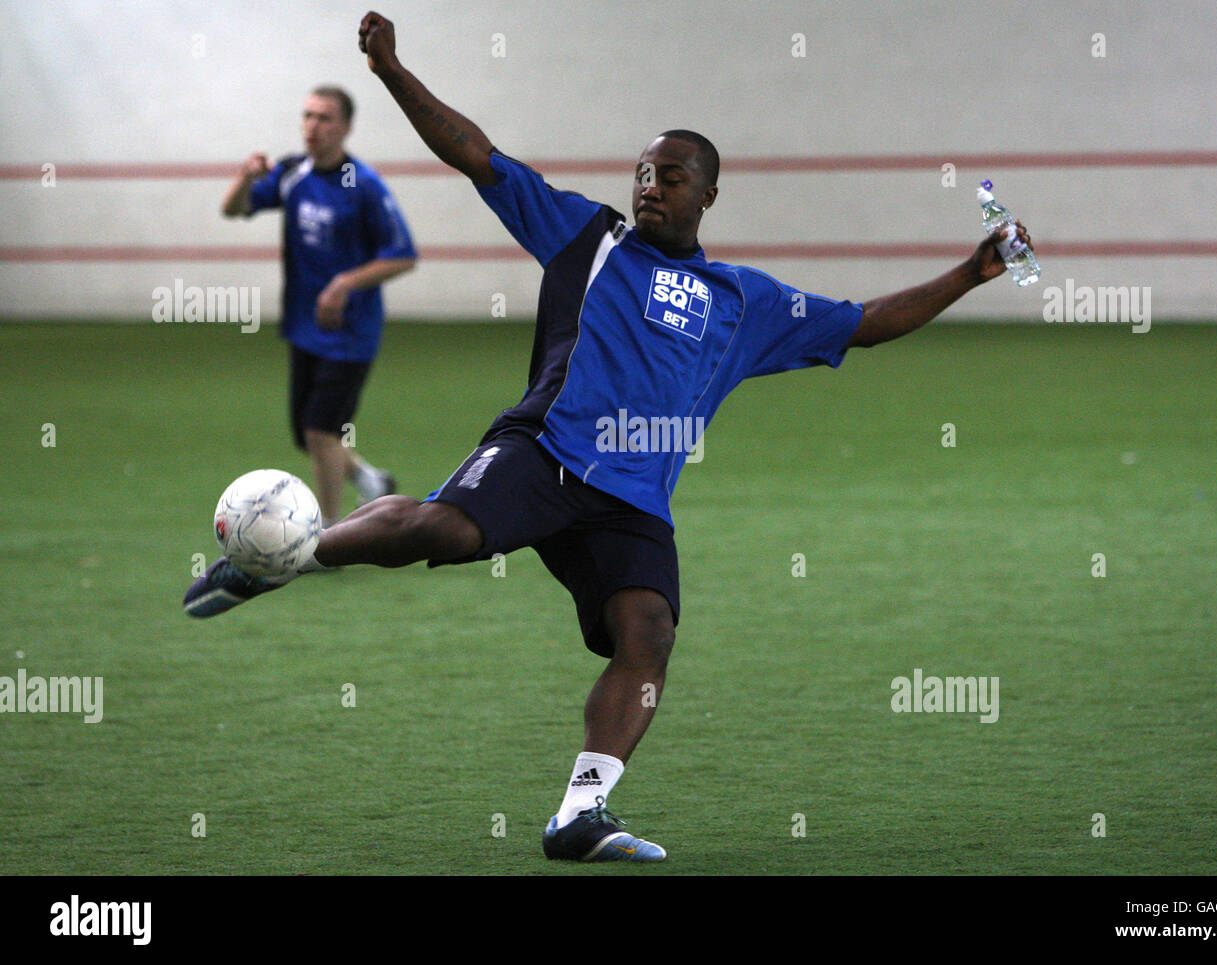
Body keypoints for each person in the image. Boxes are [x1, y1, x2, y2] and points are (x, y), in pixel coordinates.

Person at [186, 12, 1034, 863]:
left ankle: (578, 816)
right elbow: (478, 155)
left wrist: (971, 271)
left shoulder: (746, 303)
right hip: (544, 452)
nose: (650, 186)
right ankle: (285, 558)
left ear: (708, 194)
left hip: (632, 500)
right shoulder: (585, 238)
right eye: (642, 172)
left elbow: (865, 323)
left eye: (671, 175)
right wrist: (393, 73)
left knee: (649, 633)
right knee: (438, 530)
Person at [220, 85, 418, 526]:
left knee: (321, 431)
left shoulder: (365, 185)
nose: (313, 125)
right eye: (308, 115)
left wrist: (344, 283)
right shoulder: (293, 175)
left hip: (350, 332)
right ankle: (368, 479)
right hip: (303, 326)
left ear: (345, 127)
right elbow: (233, 210)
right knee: (306, 434)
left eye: (325, 118)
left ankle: (327, 536)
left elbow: (404, 255)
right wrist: (246, 177)